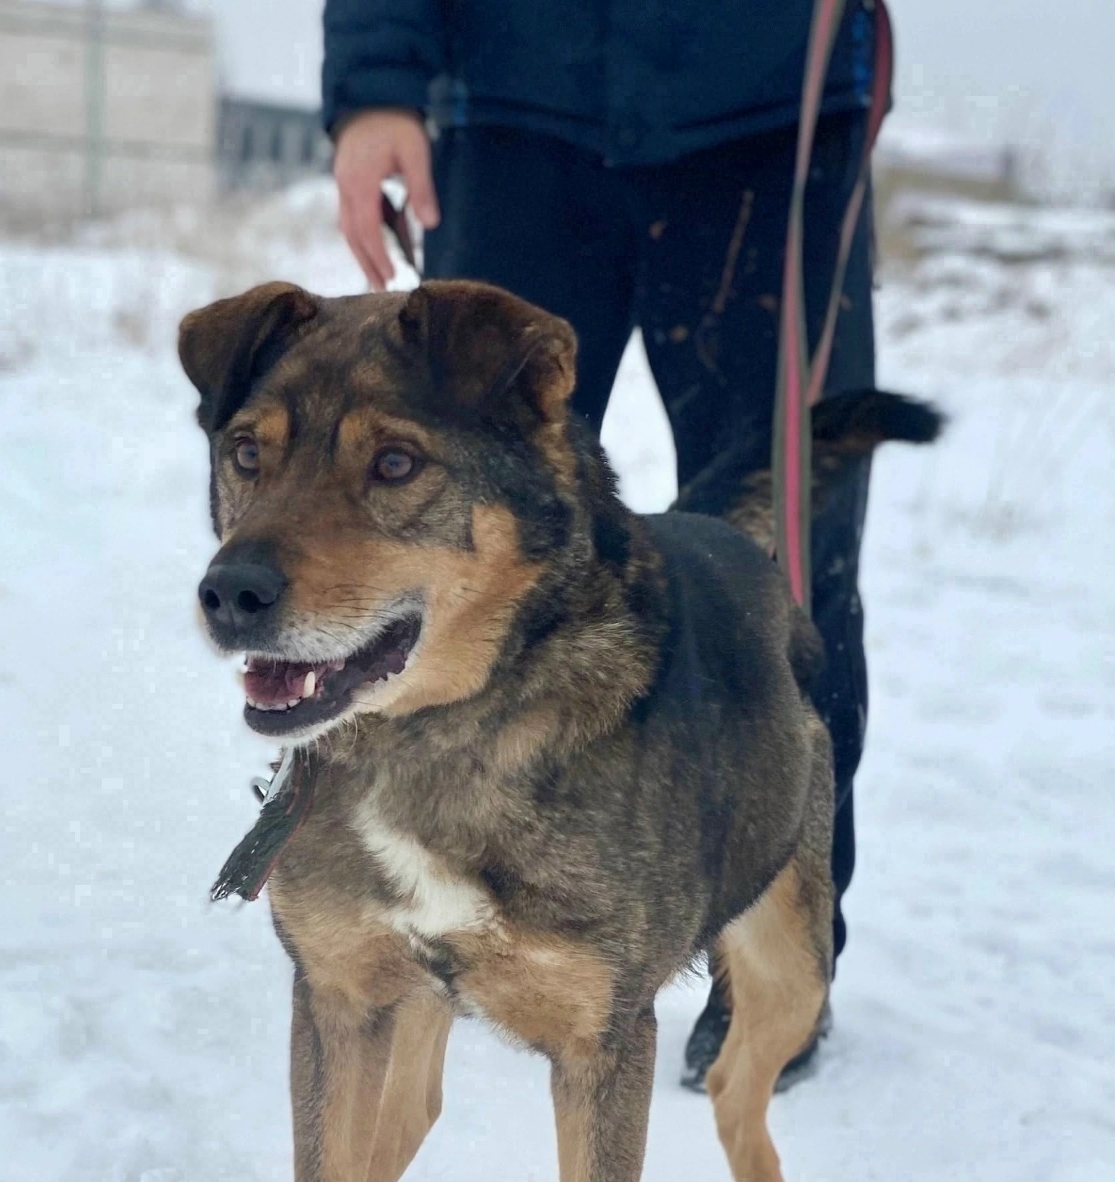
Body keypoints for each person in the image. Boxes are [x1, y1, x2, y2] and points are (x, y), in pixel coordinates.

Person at [322, 0, 885, 1088]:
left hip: (771, 120)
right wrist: (376, 83)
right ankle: (427, 900)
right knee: (442, 536)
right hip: (511, 113)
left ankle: (771, 956)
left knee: (789, 562)